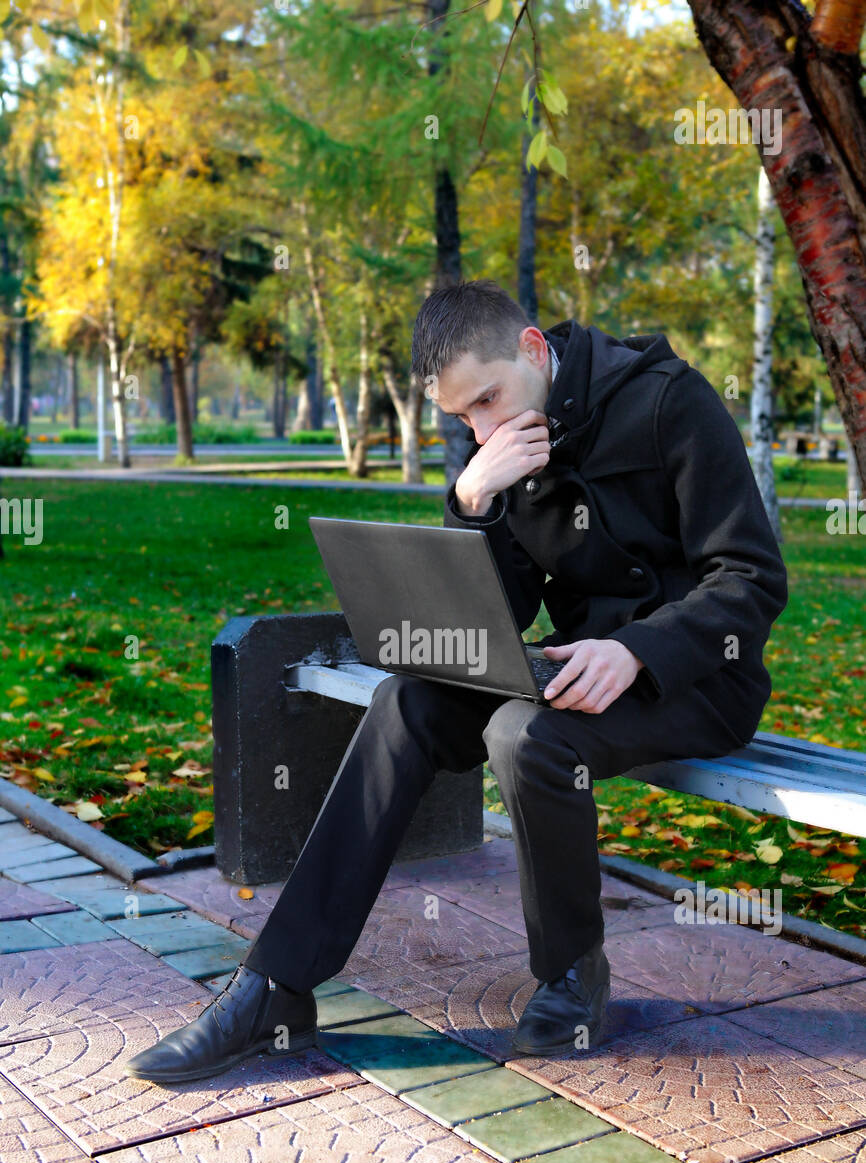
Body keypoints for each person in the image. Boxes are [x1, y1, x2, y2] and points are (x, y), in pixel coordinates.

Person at [125, 278, 788, 1084]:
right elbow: (497, 614)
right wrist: (476, 498)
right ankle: (276, 987)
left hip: (694, 681)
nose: (484, 427)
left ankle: (573, 974)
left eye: (488, 399)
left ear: (534, 350)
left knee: (524, 734)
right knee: (406, 701)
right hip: (574, 670)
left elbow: (751, 577)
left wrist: (639, 651)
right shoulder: (506, 448)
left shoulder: (668, 402)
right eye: (464, 418)